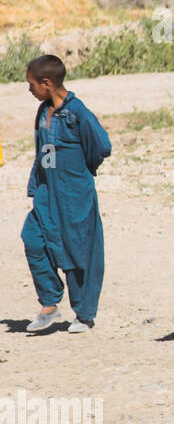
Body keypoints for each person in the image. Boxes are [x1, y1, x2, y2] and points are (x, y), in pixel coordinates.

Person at [22, 54, 112, 333]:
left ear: (46, 83)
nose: (29, 89)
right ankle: (50, 302)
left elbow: (101, 147)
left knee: (77, 251)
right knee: (33, 238)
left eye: (32, 84)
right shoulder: (43, 112)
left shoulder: (78, 113)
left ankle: (84, 314)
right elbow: (44, 150)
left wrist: (77, 173)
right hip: (47, 191)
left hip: (74, 194)